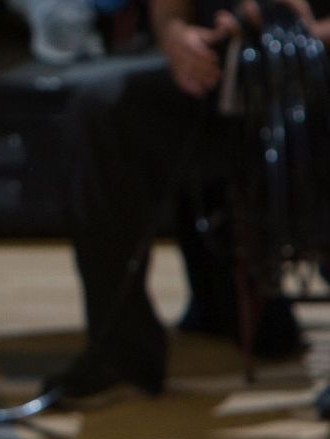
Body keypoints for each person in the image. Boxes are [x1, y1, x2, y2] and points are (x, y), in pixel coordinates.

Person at [48, 0, 329, 402]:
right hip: (226, 82)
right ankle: (122, 352)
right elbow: (170, 11)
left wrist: (292, 37)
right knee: (102, 115)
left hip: (315, 85)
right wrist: (177, 37)